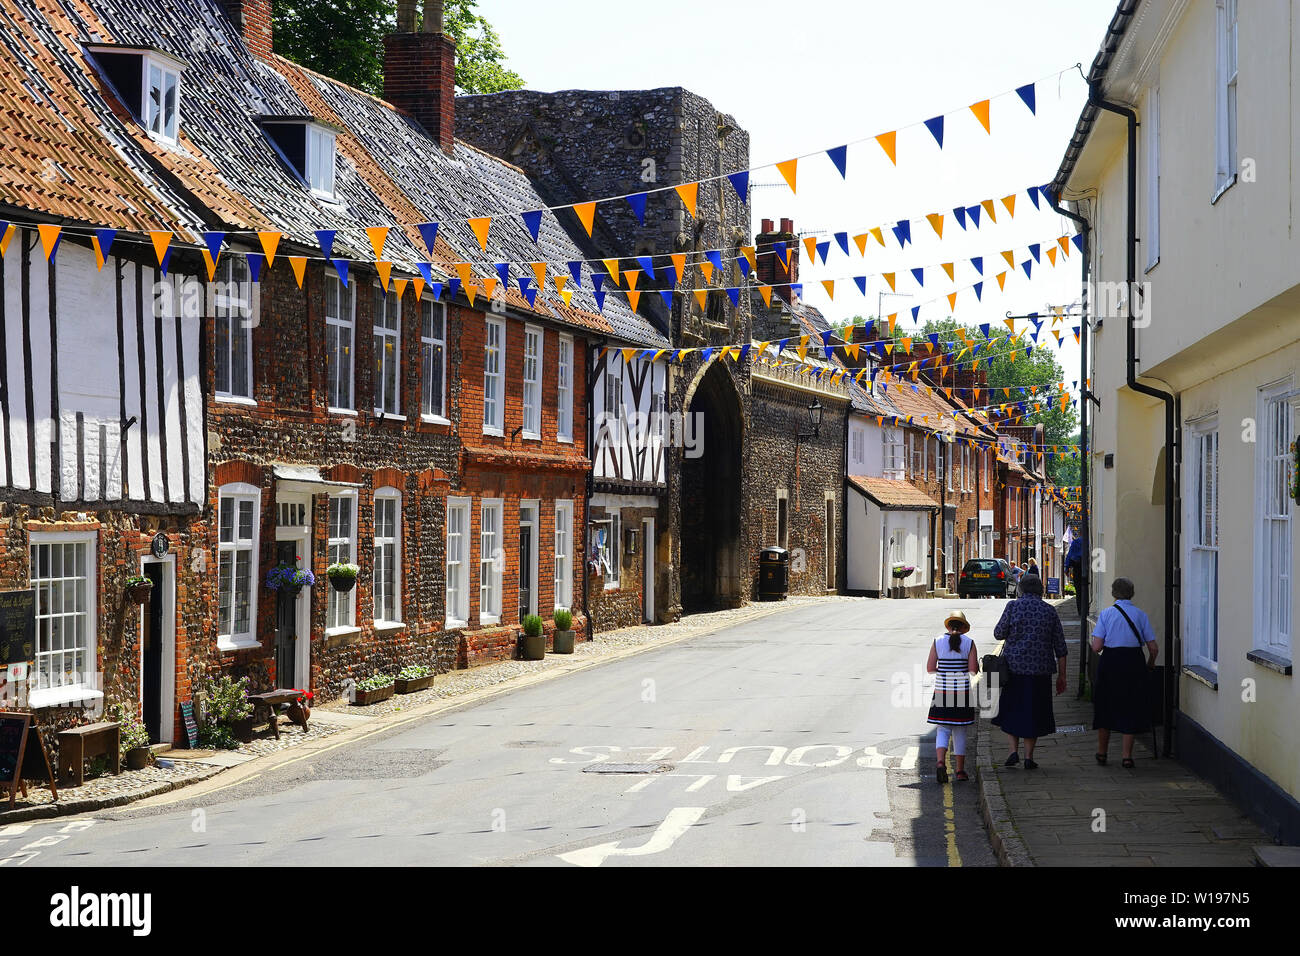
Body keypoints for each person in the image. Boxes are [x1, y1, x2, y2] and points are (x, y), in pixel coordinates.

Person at [991, 573, 1067, 769]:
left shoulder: (1013, 606)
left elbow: (998, 633)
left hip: (1014, 670)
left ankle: (1012, 751)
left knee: (1012, 710)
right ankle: (1028, 757)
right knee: (1034, 713)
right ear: (1040, 589)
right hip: (1040, 672)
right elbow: (1061, 647)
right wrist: (1062, 676)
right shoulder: (1049, 611)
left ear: (1021, 589)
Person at [1091, 577, 1158, 768]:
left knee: (1105, 706)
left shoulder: (1106, 614)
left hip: (1111, 662)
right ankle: (1127, 756)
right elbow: (1153, 648)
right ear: (1132, 593)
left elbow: (1096, 647)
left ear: (1113, 593)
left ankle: (1102, 753)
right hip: (1134, 663)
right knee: (1131, 706)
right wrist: (1150, 665)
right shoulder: (1140, 615)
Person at [926, 611, 979, 784]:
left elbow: (930, 668)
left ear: (948, 626)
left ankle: (941, 762)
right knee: (960, 730)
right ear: (964, 628)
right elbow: (972, 670)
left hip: (942, 692)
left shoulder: (937, 641)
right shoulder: (969, 643)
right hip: (962, 693)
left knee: (943, 729)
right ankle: (960, 771)